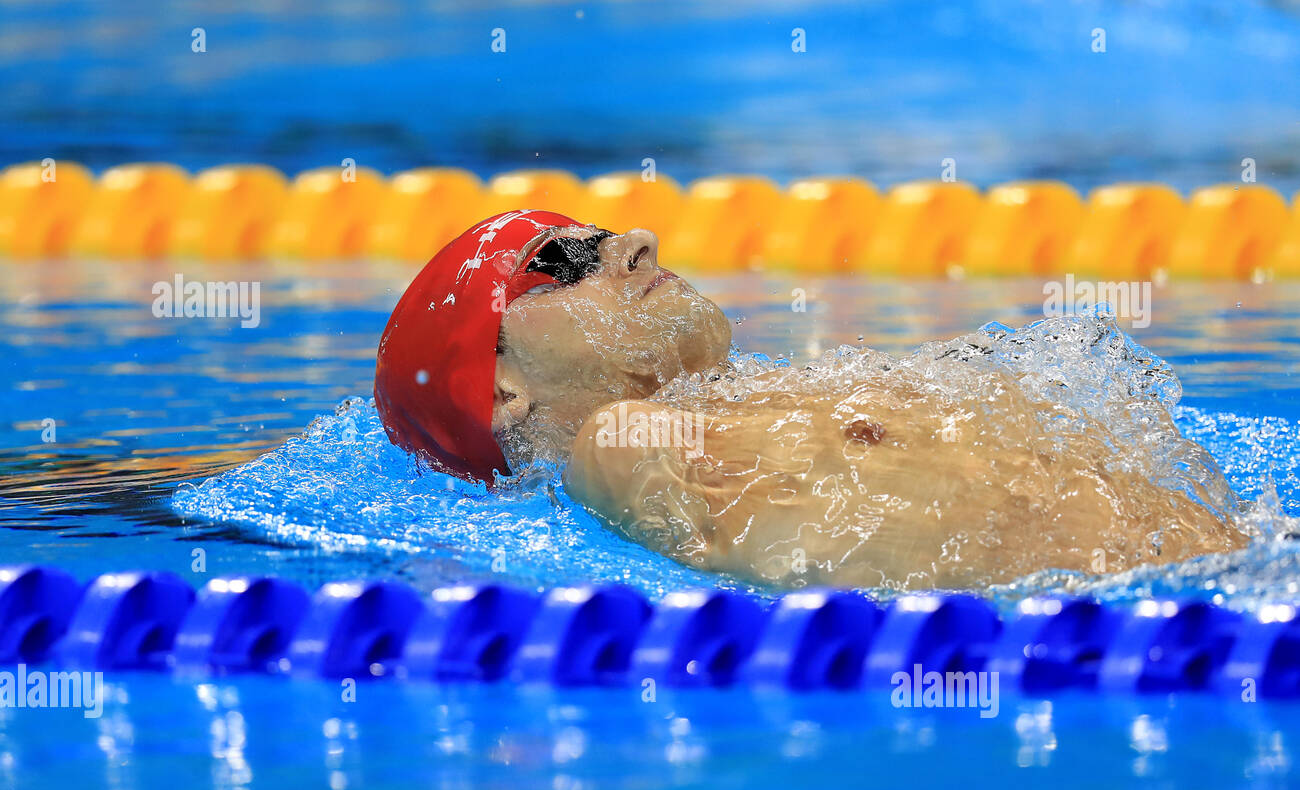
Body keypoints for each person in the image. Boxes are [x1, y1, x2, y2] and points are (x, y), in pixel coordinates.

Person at [375, 209, 1248, 590]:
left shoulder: (772, 398)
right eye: (564, 262)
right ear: (501, 391)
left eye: (606, 236)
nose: (635, 242)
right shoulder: (624, 445)